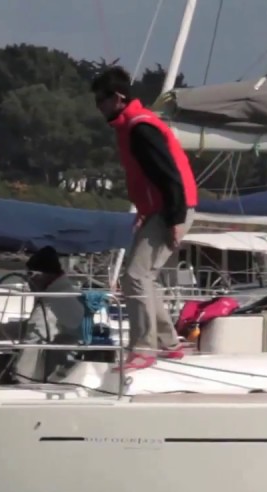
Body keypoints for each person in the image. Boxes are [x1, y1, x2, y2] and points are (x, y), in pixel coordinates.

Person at [91, 66, 199, 370]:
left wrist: (174, 219)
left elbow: (169, 175)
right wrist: (145, 212)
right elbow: (147, 179)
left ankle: (143, 348)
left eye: (101, 100)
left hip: (173, 208)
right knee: (143, 276)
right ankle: (169, 343)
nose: (98, 107)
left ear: (118, 98)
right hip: (160, 209)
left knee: (135, 276)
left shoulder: (141, 128)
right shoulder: (129, 127)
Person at [0, 247, 83, 384]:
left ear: (39, 275)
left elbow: (34, 337)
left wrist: (20, 377)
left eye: (29, 275)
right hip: (60, 369)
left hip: (47, 373)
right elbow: (33, 328)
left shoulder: (55, 299)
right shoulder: (60, 293)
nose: (27, 280)